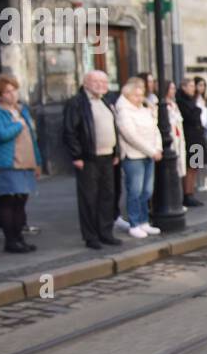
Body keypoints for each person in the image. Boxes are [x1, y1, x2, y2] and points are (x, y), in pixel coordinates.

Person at [63, 70, 122, 250]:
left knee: (108, 196)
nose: (101, 85)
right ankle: (91, 236)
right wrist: (77, 155)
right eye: (96, 82)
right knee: (89, 198)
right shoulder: (77, 103)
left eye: (104, 82)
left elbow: (115, 127)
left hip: (107, 157)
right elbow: (69, 131)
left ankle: (106, 232)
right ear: (86, 83)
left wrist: (116, 152)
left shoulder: (106, 100)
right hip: (88, 158)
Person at [0, 74, 42, 255]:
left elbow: (32, 138)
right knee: (8, 201)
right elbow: (0, 134)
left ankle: (19, 237)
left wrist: (38, 161)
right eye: (7, 92)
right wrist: (18, 125)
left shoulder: (21, 109)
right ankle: (11, 239)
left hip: (25, 161)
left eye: (13, 90)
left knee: (21, 201)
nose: (12, 94)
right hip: (7, 162)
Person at [115, 78, 163, 239]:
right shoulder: (124, 111)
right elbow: (131, 136)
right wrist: (151, 151)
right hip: (134, 156)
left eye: (141, 95)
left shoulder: (143, 110)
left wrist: (158, 148)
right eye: (136, 95)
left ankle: (144, 221)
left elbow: (155, 129)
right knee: (135, 191)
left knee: (147, 191)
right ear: (127, 96)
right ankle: (134, 223)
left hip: (149, 155)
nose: (139, 98)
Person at [175, 78, 206, 207]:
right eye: (191, 86)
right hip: (190, 137)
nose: (194, 88)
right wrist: (198, 109)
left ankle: (191, 191)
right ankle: (187, 194)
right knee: (190, 166)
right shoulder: (181, 101)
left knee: (195, 166)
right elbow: (190, 117)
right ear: (184, 87)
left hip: (197, 137)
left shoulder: (193, 100)